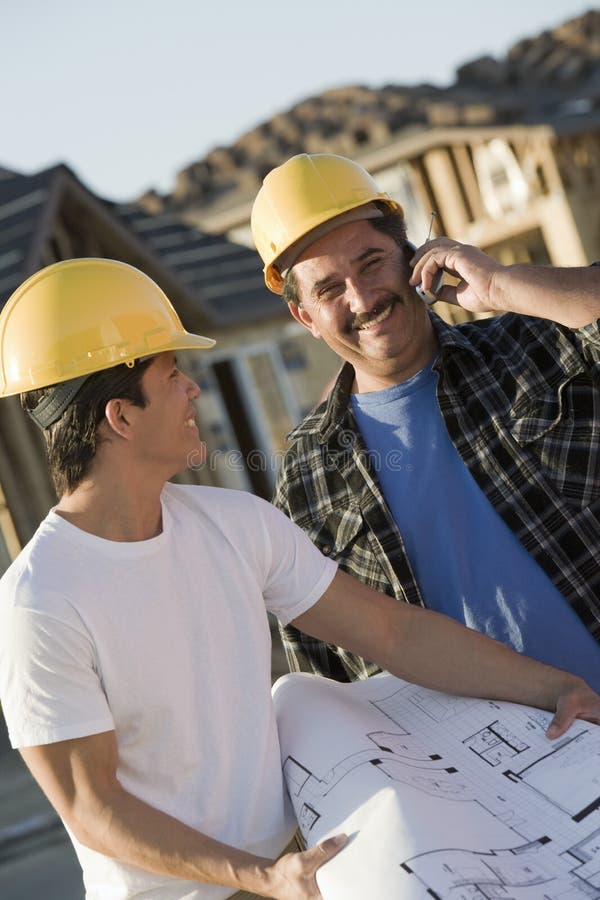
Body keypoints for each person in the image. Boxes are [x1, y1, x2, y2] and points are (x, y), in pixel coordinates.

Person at [0, 260, 599, 900]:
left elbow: (391, 632)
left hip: (295, 875)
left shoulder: (234, 525)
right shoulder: (42, 599)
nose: (194, 391)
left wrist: (557, 686)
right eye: (172, 377)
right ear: (122, 417)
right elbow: (91, 807)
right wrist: (255, 876)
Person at [250, 152, 600, 688]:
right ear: (306, 317)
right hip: (489, 771)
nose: (362, 298)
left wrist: (502, 286)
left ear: (414, 258)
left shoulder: (532, 349)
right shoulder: (308, 474)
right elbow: (324, 679)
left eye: (372, 263)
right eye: (329, 289)